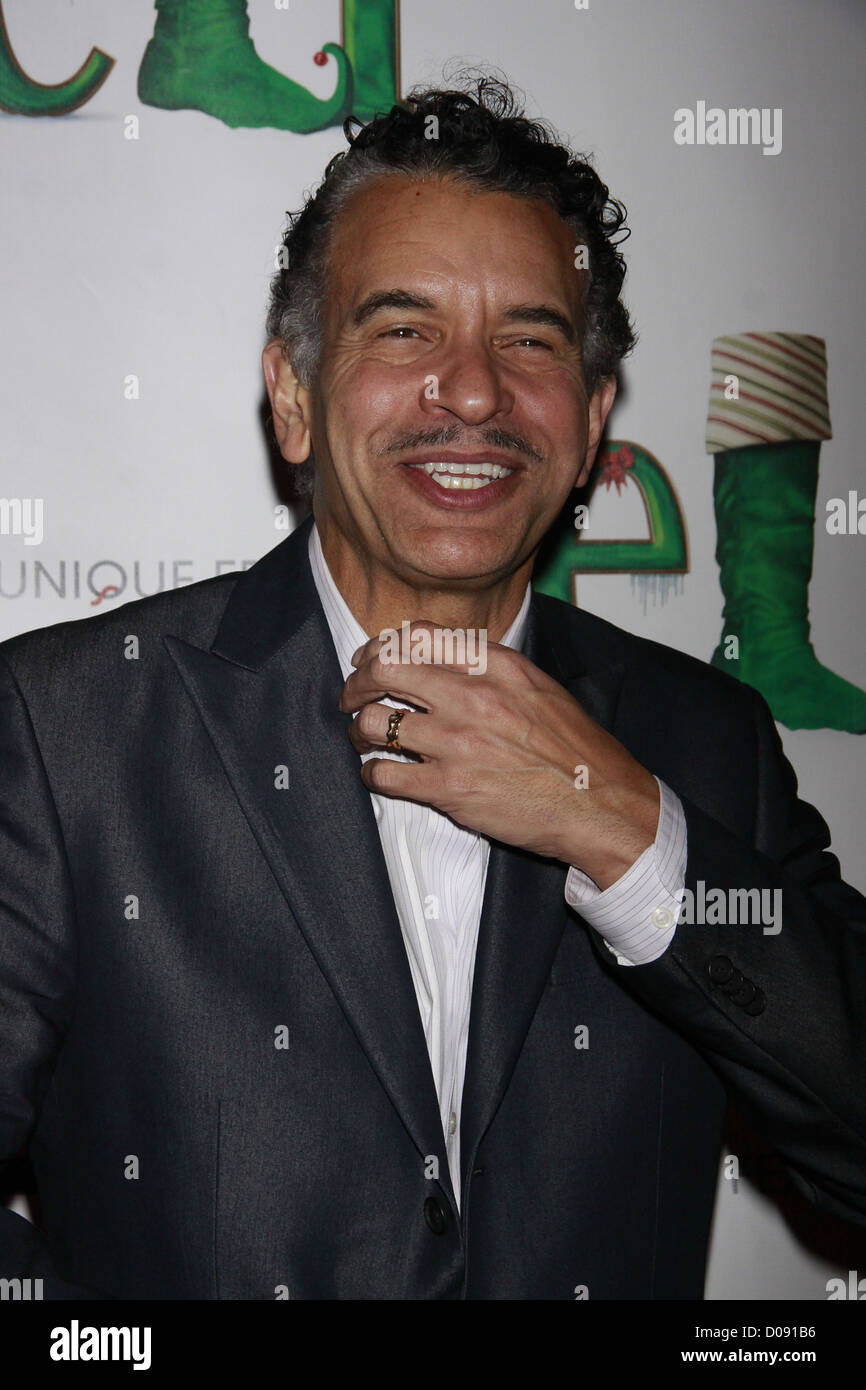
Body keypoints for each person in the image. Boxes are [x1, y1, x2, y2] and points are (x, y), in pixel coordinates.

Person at [1, 74, 864, 1301]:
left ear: (590, 421)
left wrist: (627, 831)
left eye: (528, 339)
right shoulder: (68, 726)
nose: (471, 392)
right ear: (294, 399)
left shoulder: (703, 738)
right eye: (403, 329)